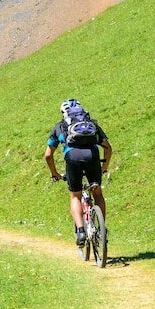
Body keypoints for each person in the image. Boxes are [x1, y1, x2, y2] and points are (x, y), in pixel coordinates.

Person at [45, 99, 112, 246]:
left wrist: (54, 173)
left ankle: (81, 231)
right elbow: (108, 148)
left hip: (72, 158)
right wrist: (104, 167)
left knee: (75, 195)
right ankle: (101, 229)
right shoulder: (92, 124)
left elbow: (48, 155)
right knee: (98, 193)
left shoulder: (60, 127)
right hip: (92, 157)